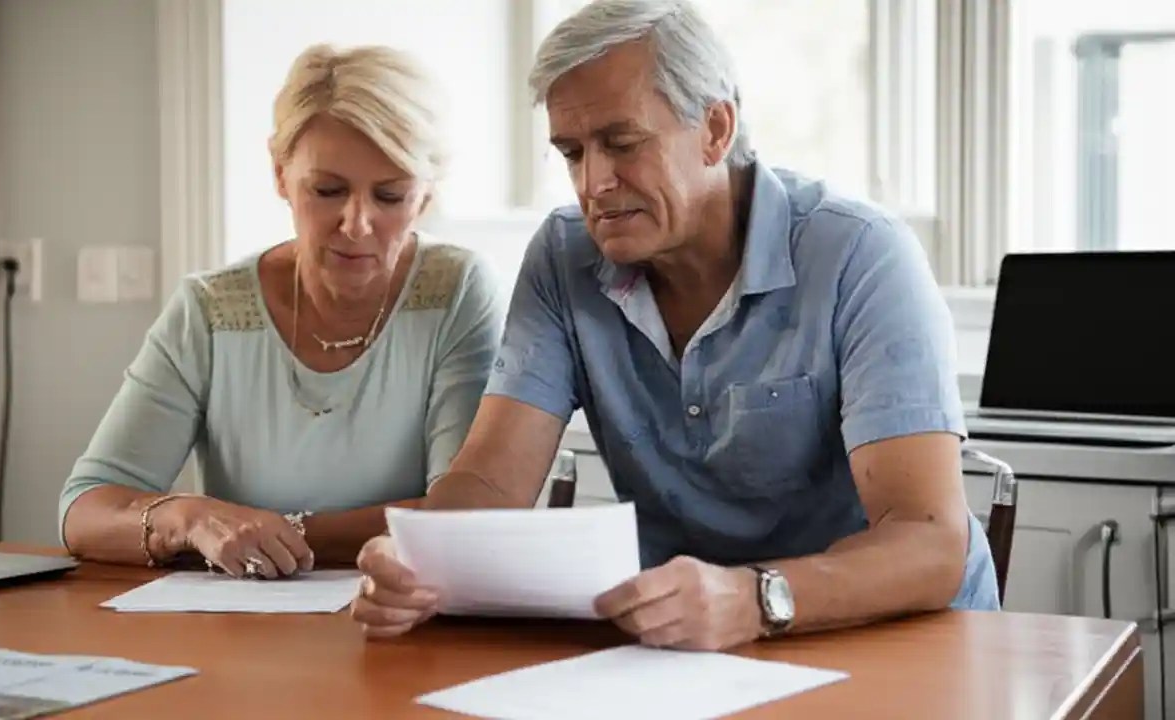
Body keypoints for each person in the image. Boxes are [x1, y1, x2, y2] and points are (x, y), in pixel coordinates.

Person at [350, 0, 999, 648]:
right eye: (572, 153)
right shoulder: (563, 258)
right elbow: (491, 480)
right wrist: (419, 558)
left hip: (897, 638)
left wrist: (753, 599)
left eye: (622, 144)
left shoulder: (861, 254)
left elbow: (929, 540)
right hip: (688, 650)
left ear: (716, 129)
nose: (594, 182)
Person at [58, 43, 503, 579]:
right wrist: (192, 516)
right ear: (279, 174)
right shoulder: (211, 311)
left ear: (425, 199)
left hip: (406, 621)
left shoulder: (457, 292)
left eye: (390, 196)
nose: (357, 223)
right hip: (244, 628)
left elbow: (458, 521)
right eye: (328, 190)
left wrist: (274, 532)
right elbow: (83, 511)